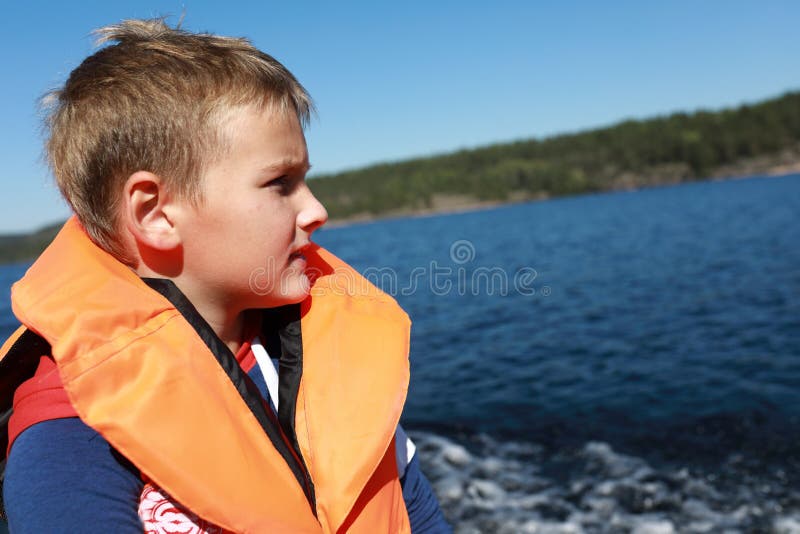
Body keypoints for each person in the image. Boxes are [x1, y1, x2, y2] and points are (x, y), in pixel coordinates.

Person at [0, 18, 449, 533]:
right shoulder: (71, 439)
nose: (317, 210)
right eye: (280, 183)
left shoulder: (332, 360)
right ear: (156, 215)